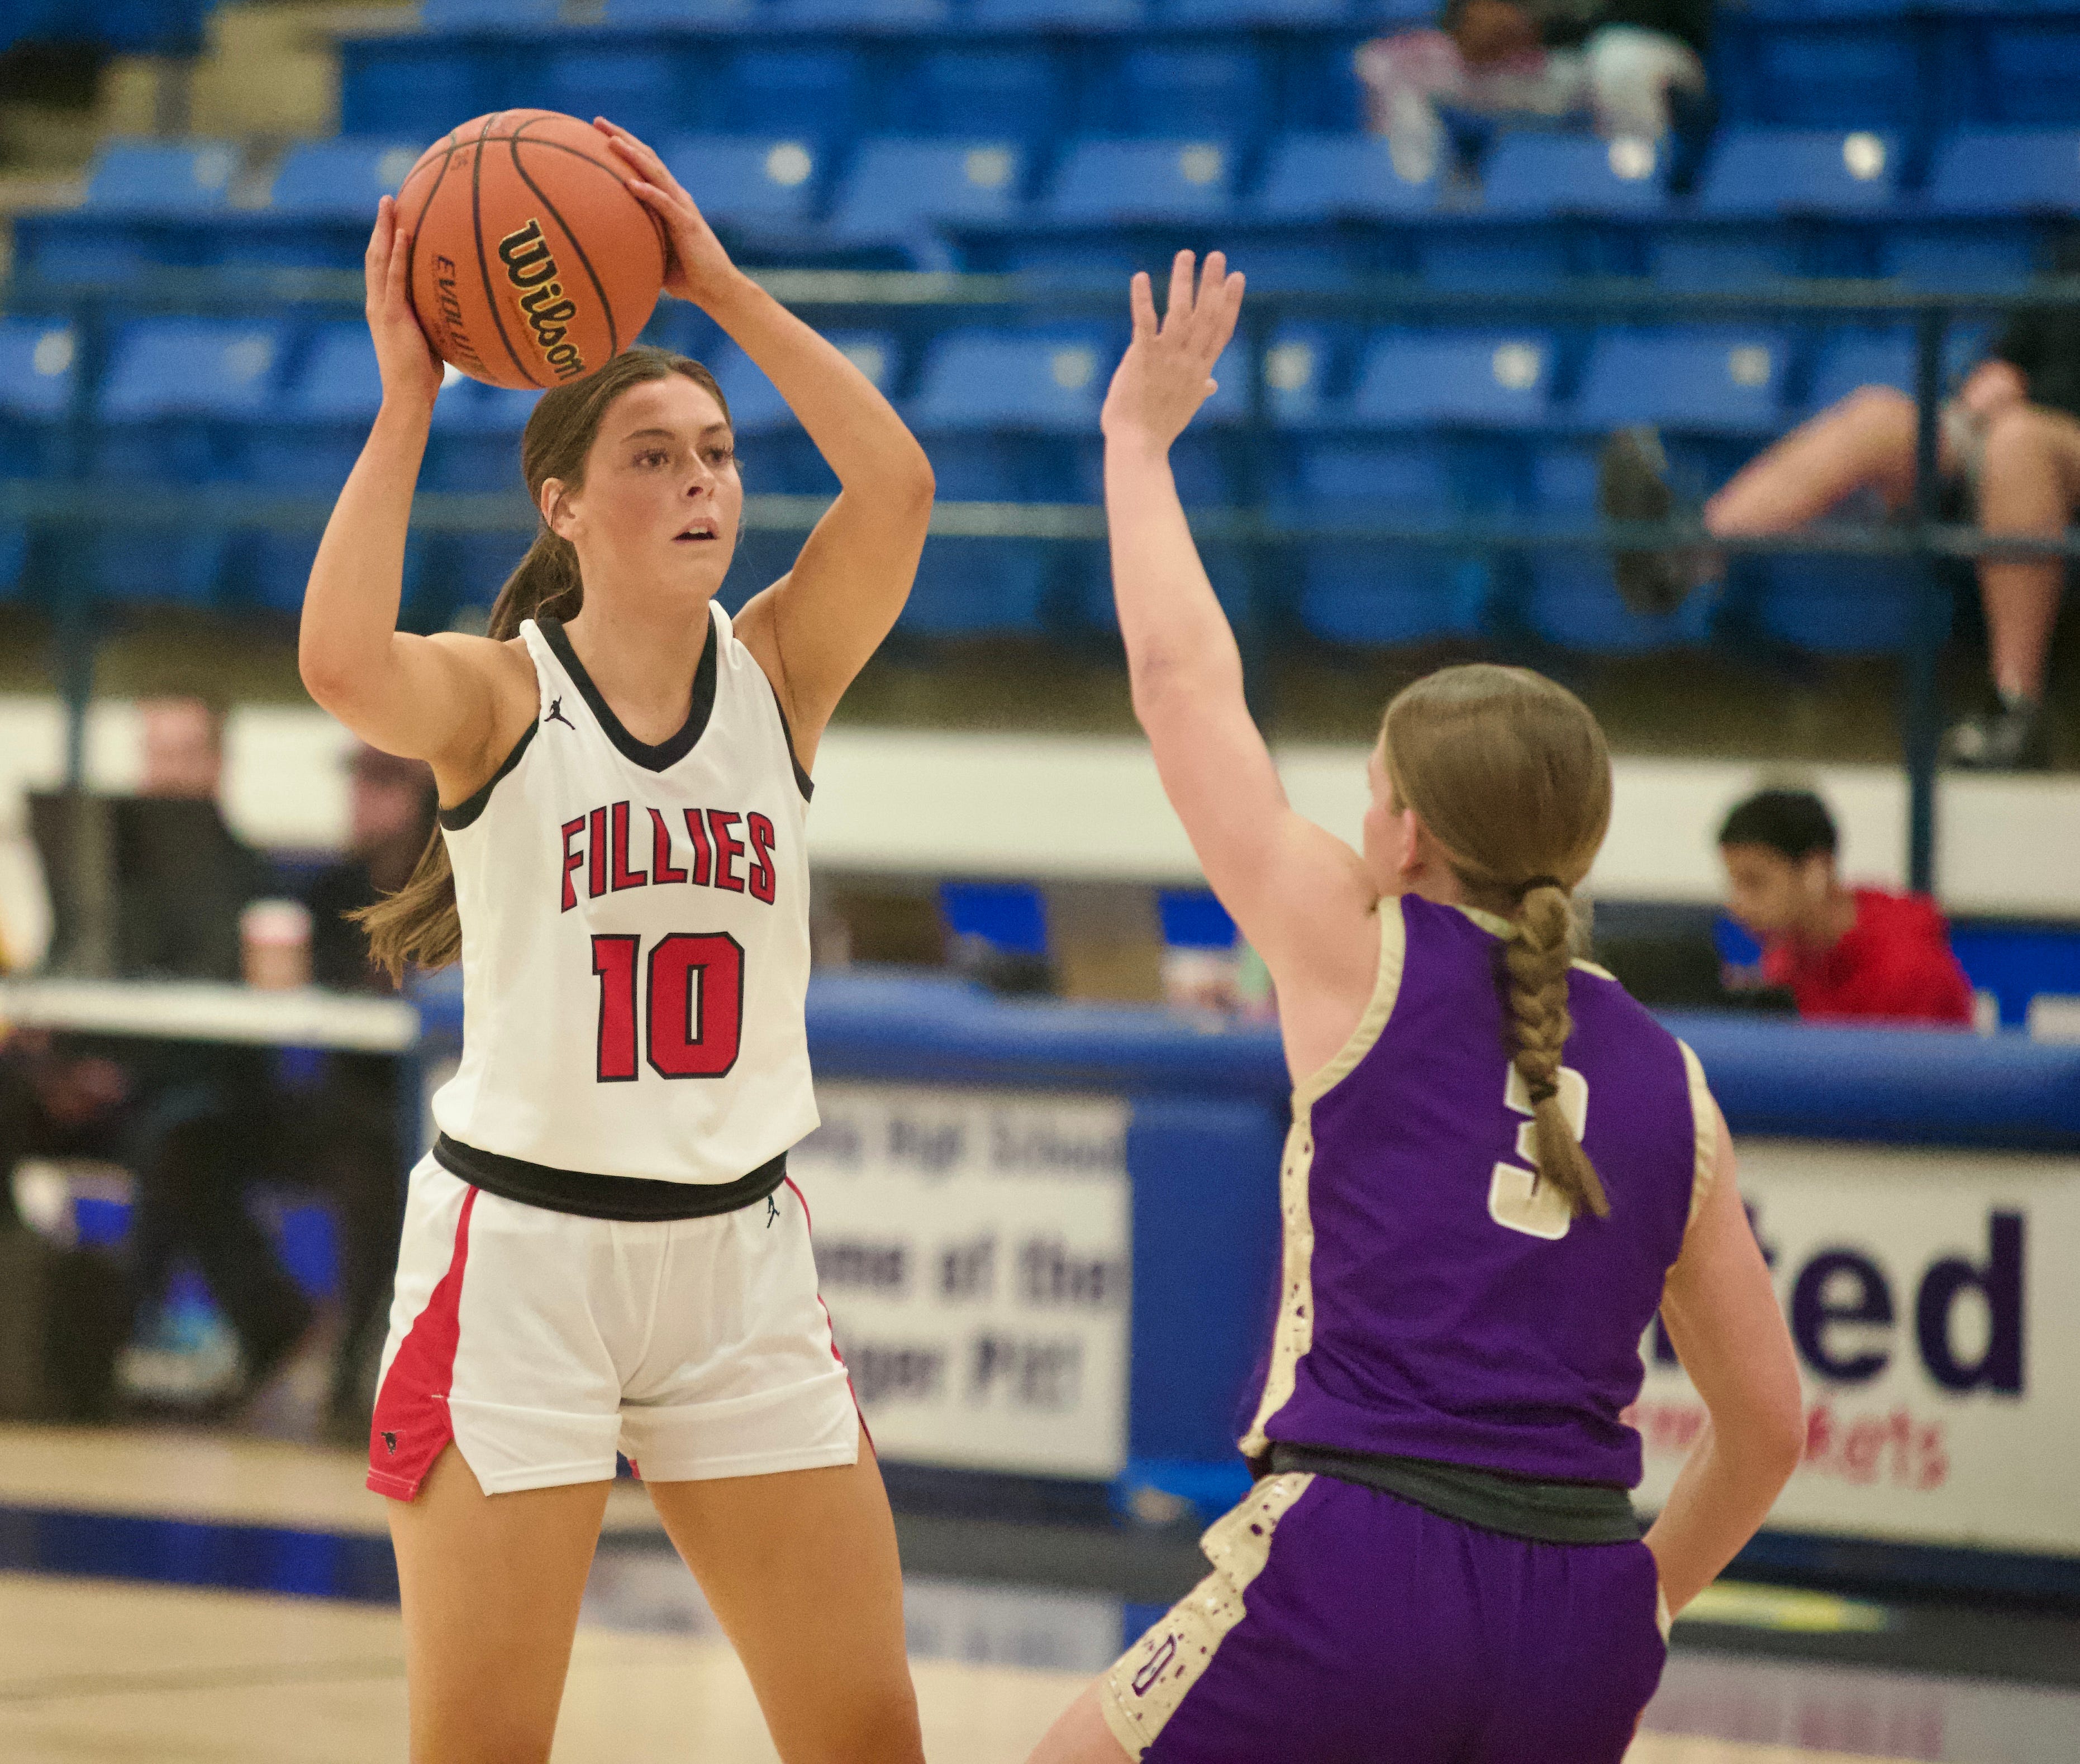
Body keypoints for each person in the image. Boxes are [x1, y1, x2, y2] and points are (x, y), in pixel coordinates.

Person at [1027, 253, 1804, 1764]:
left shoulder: (1364, 944)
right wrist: (1639, 1601)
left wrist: (1134, 443)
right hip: (1579, 1597)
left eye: (1370, 791)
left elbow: (1185, 683)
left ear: (1402, 835)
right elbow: (1765, 1424)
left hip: (1362, 1557)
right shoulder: (1673, 1077)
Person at [297, 116, 933, 1762]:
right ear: (564, 501)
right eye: (654, 454)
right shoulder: (504, 694)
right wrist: (407, 394)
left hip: (735, 1260)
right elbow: (339, 661)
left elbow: (897, 482)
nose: (704, 480)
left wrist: (715, 281)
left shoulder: (781, 668)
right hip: (522, 1264)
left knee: (867, 1735)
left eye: (716, 451)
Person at [1600, 257, 2080, 771]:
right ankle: (1685, 556)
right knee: (1879, 417)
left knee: (2018, 442)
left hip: (2045, 431)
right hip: (2011, 418)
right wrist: (1997, 376)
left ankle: (2014, 709)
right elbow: (2020, 346)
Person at [1357, 0, 1710, 185]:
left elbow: (1668, 17)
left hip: (1644, 54)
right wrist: (1473, 34)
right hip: (1533, 67)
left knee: (1619, 56)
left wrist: (1538, 32)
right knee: (1388, 63)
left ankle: (1634, 185)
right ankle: (1412, 197)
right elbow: (1458, 19)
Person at [1717, 788, 1976, 1028]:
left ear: (1816, 871)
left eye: (1755, 882)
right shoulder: (1784, 961)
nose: (1738, 906)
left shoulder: (1915, 973)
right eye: (1735, 884)